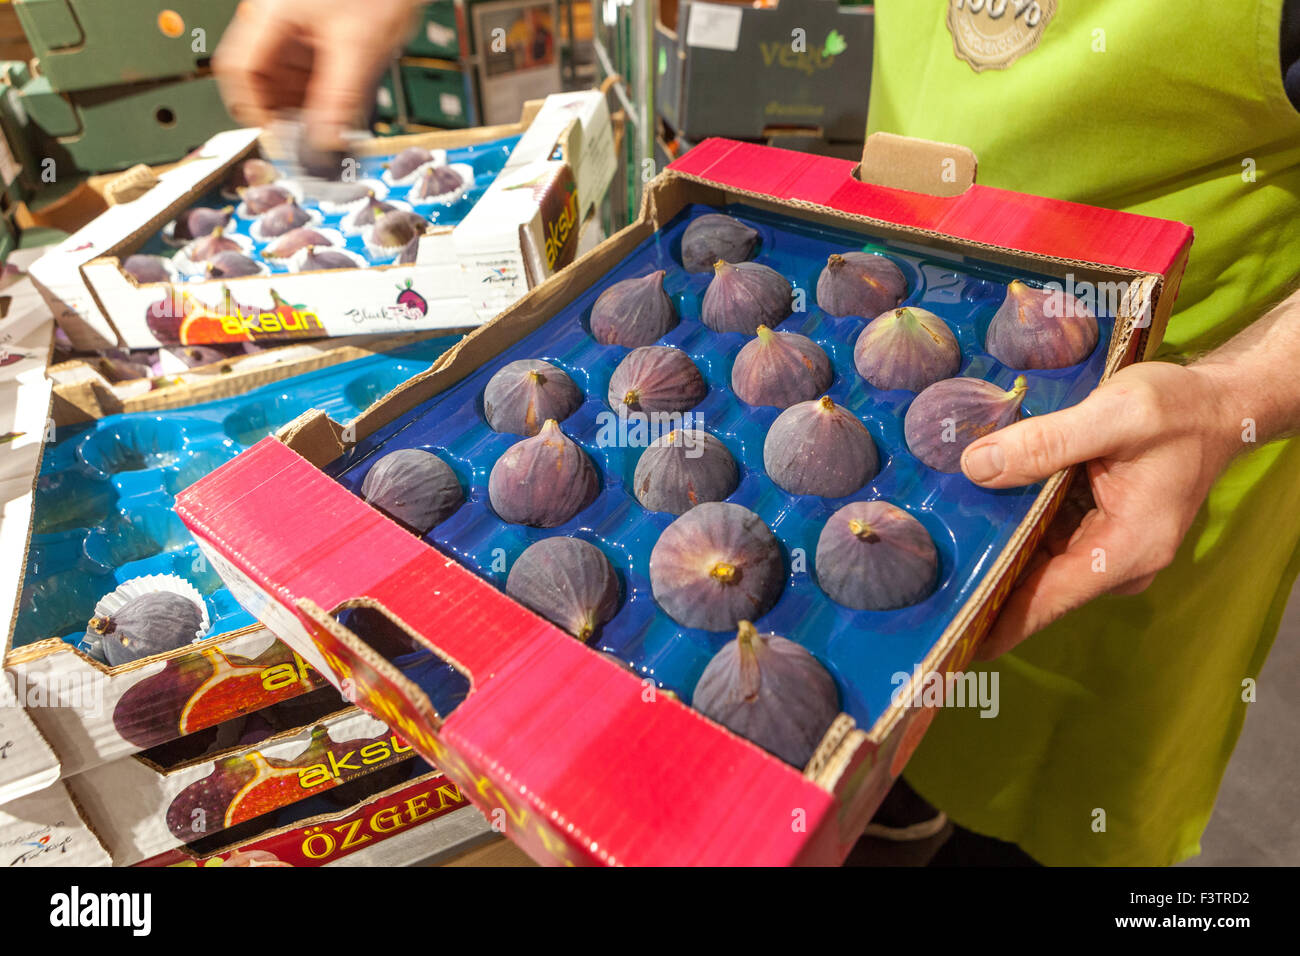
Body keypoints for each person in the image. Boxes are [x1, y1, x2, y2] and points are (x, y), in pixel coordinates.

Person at [215, 0, 1300, 866]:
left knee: (1064, 791)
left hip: (1162, 393)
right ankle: (892, 807)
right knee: (884, 738)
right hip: (900, 236)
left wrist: (1227, 390)